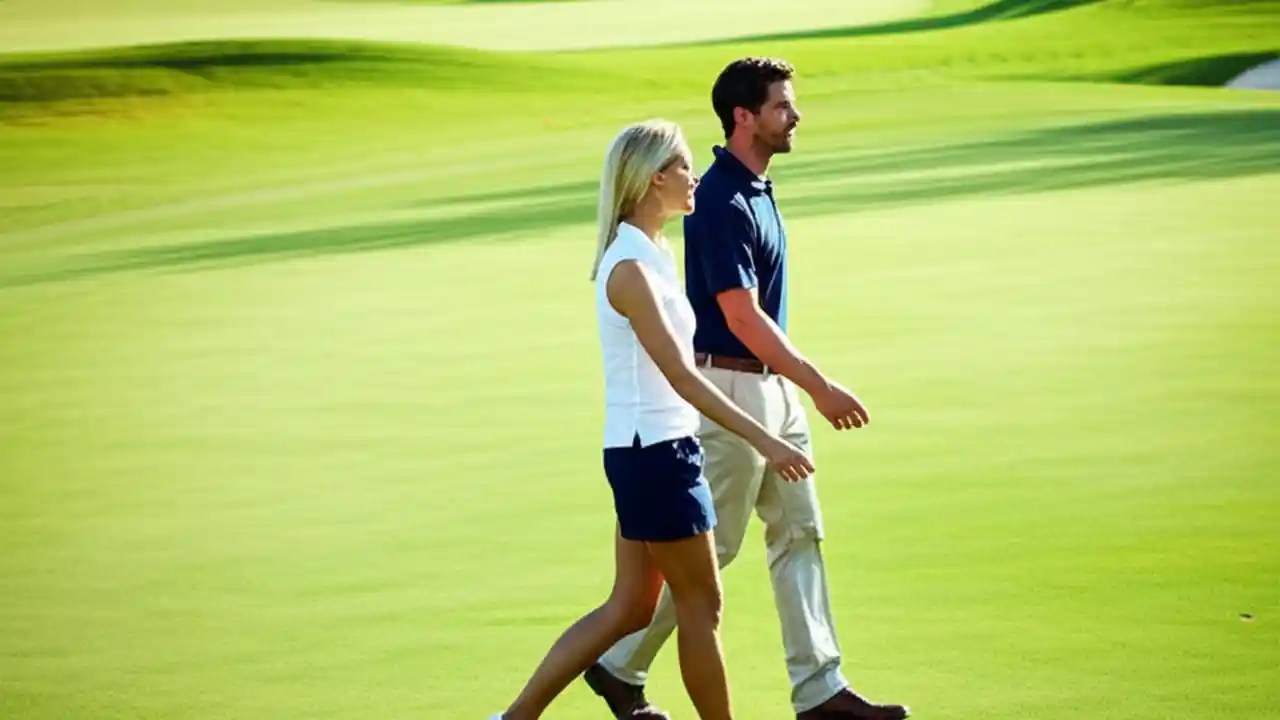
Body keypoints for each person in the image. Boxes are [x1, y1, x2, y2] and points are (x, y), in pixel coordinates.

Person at [584, 59, 910, 720]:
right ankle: (619, 665)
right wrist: (818, 384)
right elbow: (739, 314)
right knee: (713, 552)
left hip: (772, 388)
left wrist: (796, 387)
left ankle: (820, 688)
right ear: (744, 116)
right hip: (730, 387)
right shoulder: (721, 201)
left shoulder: (755, 189)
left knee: (801, 533)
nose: (795, 116)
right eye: (782, 106)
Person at [489, 119, 816, 720]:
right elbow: (682, 376)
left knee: (631, 608)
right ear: (656, 177)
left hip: (653, 452)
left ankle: (514, 719)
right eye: (687, 167)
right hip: (657, 455)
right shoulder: (631, 270)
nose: (696, 178)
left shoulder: (654, 254)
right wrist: (766, 439)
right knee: (700, 605)